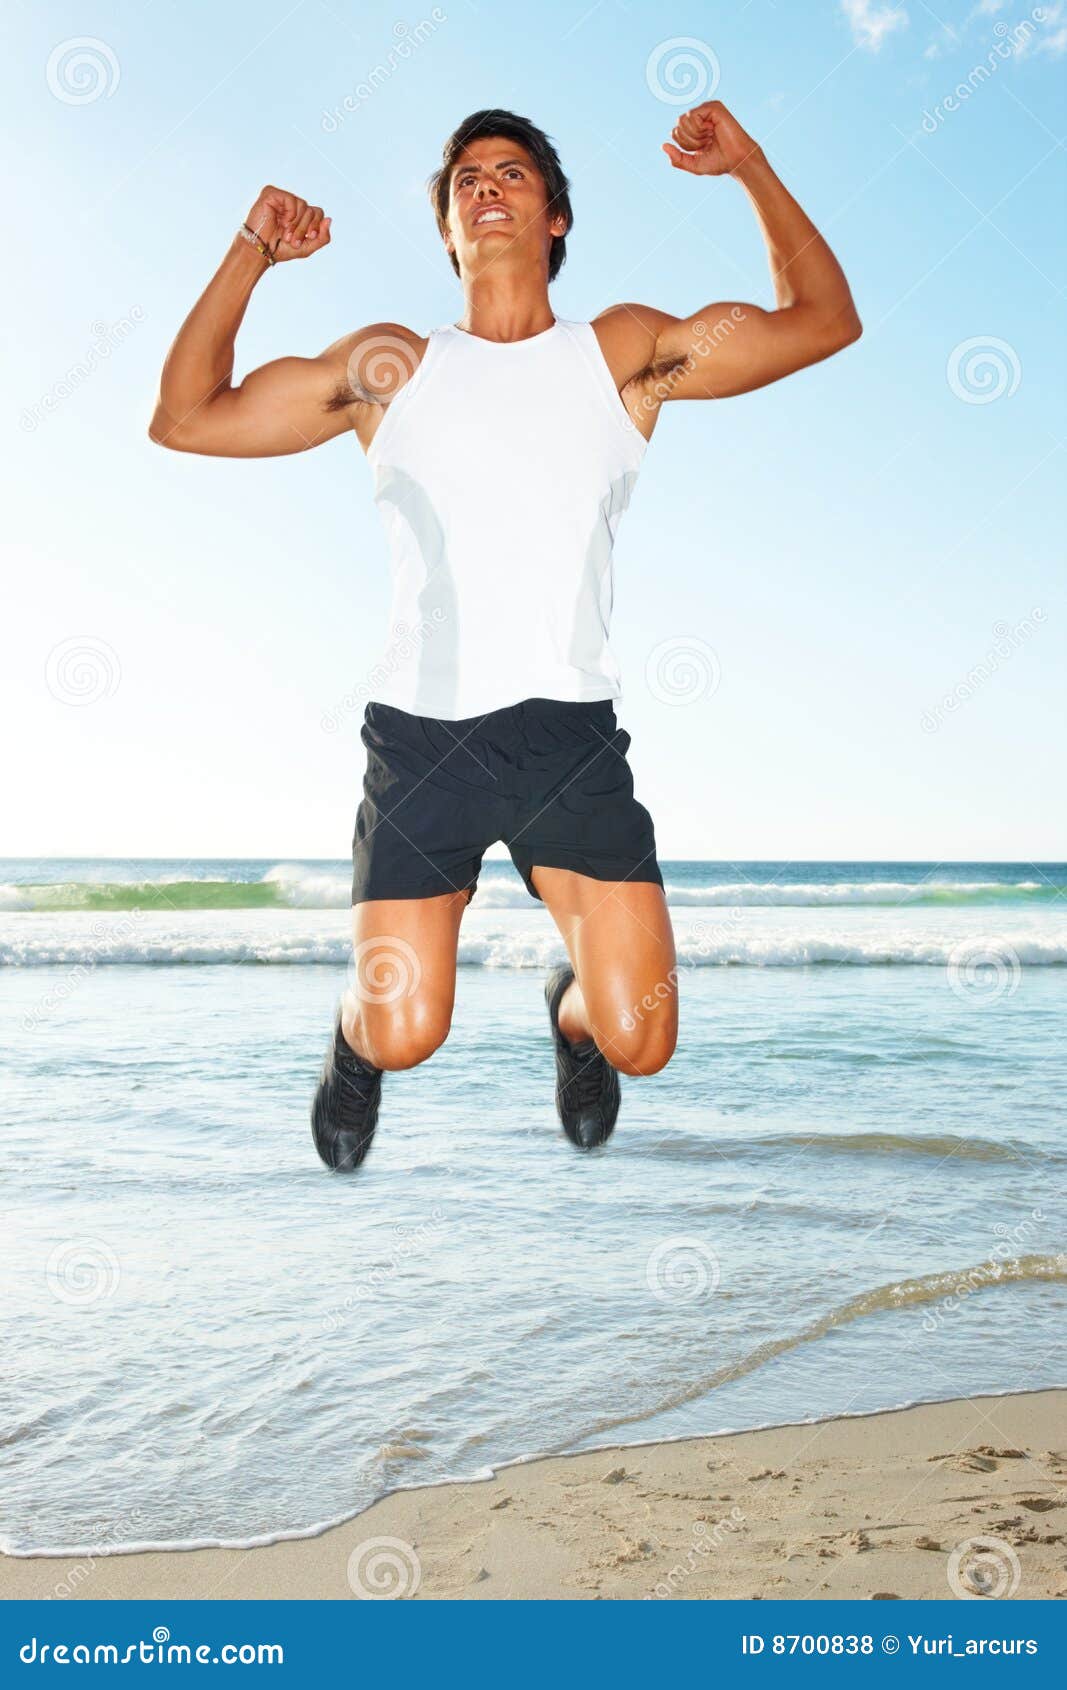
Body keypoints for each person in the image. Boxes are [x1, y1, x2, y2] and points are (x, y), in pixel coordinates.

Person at [148, 101, 861, 1171]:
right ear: (445, 228)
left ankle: (569, 1008)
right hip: (423, 740)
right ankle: (354, 1044)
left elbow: (819, 321)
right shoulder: (389, 364)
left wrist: (749, 166)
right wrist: (251, 252)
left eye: (512, 174)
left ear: (556, 217)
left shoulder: (619, 352)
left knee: (642, 1037)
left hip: (565, 739)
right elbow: (187, 417)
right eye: (464, 180)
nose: (485, 187)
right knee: (406, 1030)